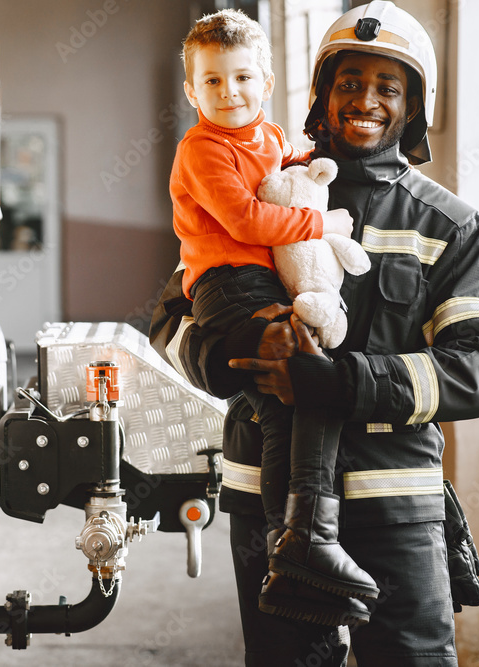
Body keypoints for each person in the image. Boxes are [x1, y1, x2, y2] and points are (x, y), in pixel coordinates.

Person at [151, 2, 479, 665]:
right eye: (349, 82)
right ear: (321, 95)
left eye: (387, 86)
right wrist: (234, 356)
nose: (365, 100)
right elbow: (171, 320)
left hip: (393, 501)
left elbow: (478, 367)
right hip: (268, 497)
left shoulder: (450, 225)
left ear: (414, 105)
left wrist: (347, 382)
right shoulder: (262, 186)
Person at [171, 9, 379, 625]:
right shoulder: (202, 150)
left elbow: (299, 166)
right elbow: (246, 223)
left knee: (287, 400)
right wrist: (323, 222)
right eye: (211, 81)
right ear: (192, 90)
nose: (228, 93)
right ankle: (303, 540)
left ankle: (296, 547)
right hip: (226, 285)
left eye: (241, 78)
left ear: (265, 80)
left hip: (264, 279)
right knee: (300, 376)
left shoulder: (270, 136)